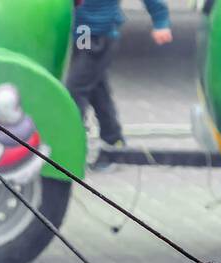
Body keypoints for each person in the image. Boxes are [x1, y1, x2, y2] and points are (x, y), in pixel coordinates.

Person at [66, 0, 171, 169]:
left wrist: (161, 21)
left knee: (75, 92)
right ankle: (114, 145)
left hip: (100, 35)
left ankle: (69, 151)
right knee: (96, 90)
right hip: (83, 34)